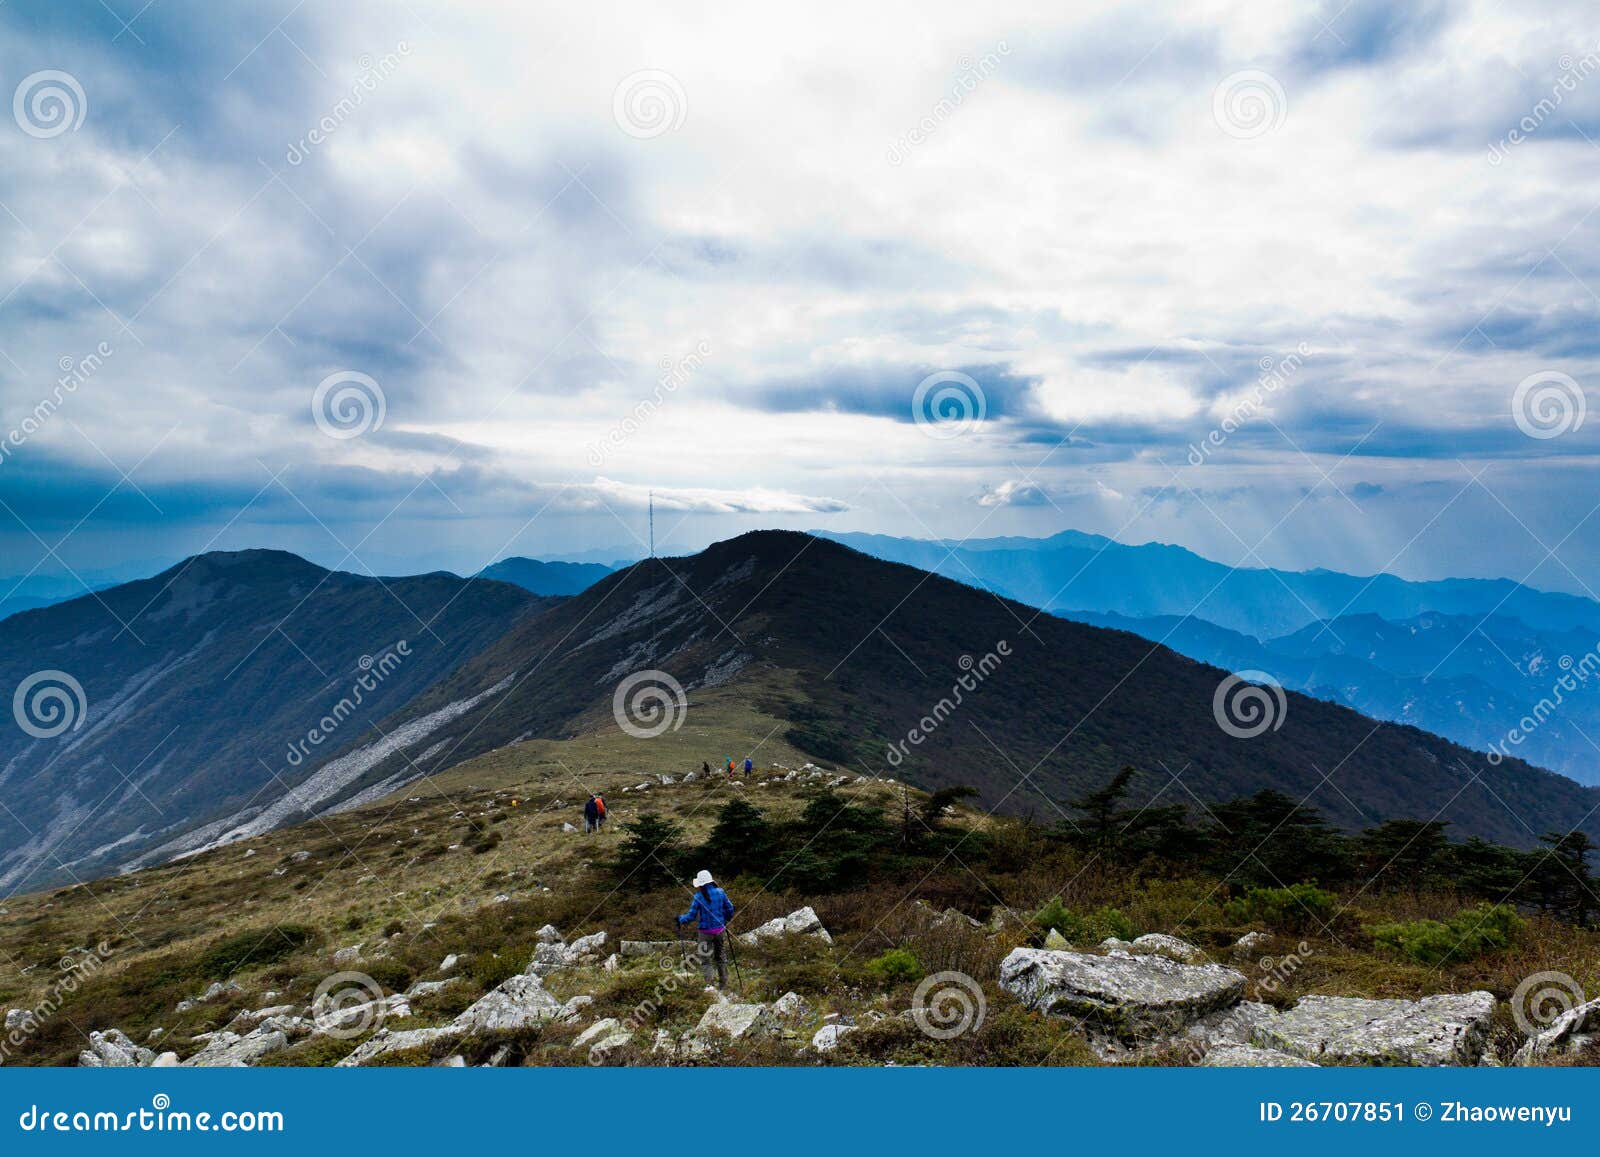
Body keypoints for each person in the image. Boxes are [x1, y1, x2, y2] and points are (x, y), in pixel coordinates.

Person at [677, 869, 735, 989]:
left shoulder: (698, 896)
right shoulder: (720, 892)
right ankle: (723, 985)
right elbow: (730, 908)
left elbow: (691, 916)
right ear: (711, 881)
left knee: (705, 959)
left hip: (705, 932)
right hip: (719, 930)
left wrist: (680, 919)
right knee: (720, 956)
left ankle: (710, 985)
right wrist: (726, 919)